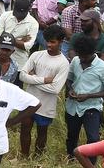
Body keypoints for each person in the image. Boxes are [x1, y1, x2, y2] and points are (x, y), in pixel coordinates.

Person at [18, 26, 69, 157]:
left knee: (42, 132)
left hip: (46, 105)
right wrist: (44, 80)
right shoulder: (36, 55)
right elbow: (22, 76)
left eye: (53, 42)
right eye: (47, 41)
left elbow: (55, 89)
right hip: (29, 101)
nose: (48, 44)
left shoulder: (63, 63)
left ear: (61, 42)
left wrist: (33, 79)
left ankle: (37, 158)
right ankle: (24, 157)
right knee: (25, 129)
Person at [65, 33, 104, 160]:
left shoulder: (103, 68)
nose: (81, 59)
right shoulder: (76, 61)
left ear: (93, 52)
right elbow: (69, 78)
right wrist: (70, 89)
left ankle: (90, 167)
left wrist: (89, 95)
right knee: (72, 135)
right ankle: (71, 157)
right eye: (80, 55)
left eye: (84, 56)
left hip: (92, 107)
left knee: (93, 138)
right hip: (73, 106)